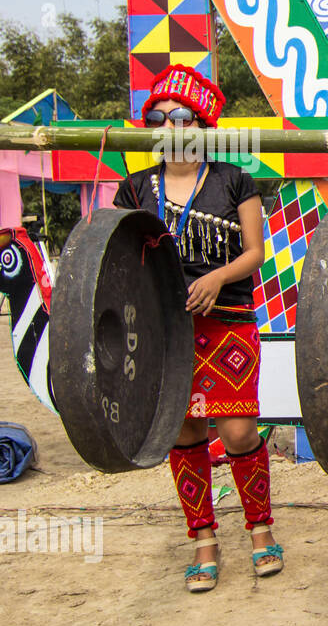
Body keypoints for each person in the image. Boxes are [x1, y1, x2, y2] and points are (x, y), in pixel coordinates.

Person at [113, 64, 281, 592]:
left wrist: (216, 277)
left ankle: (260, 529)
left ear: (203, 125)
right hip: (164, 330)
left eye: (181, 117)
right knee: (183, 431)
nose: (170, 126)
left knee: (237, 430)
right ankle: (203, 539)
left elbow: (254, 253)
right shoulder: (134, 189)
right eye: (158, 118)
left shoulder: (234, 180)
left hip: (227, 320)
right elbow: (116, 260)